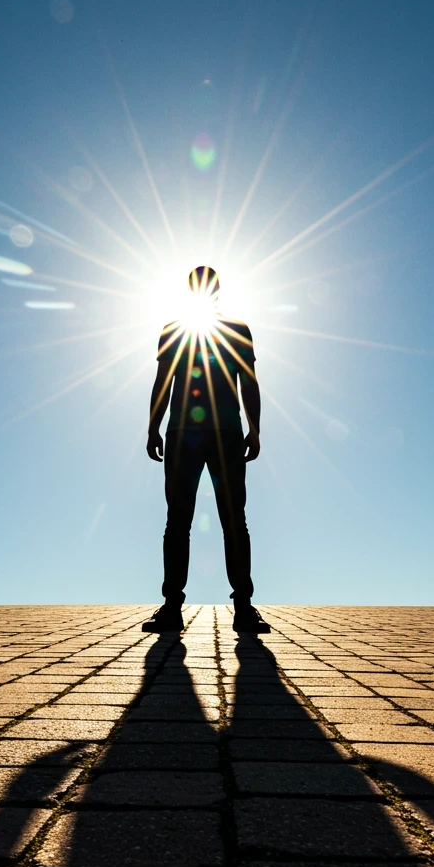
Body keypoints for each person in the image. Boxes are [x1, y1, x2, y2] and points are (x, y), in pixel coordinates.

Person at [144, 265, 269, 633]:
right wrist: (153, 426)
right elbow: (163, 382)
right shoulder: (173, 330)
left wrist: (255, 429)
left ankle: (243, 605)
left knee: (232, 521)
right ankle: (172, 606)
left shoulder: (237, 330)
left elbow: (249, 382)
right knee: (180, 522)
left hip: (225, 434)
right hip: (184, 434)